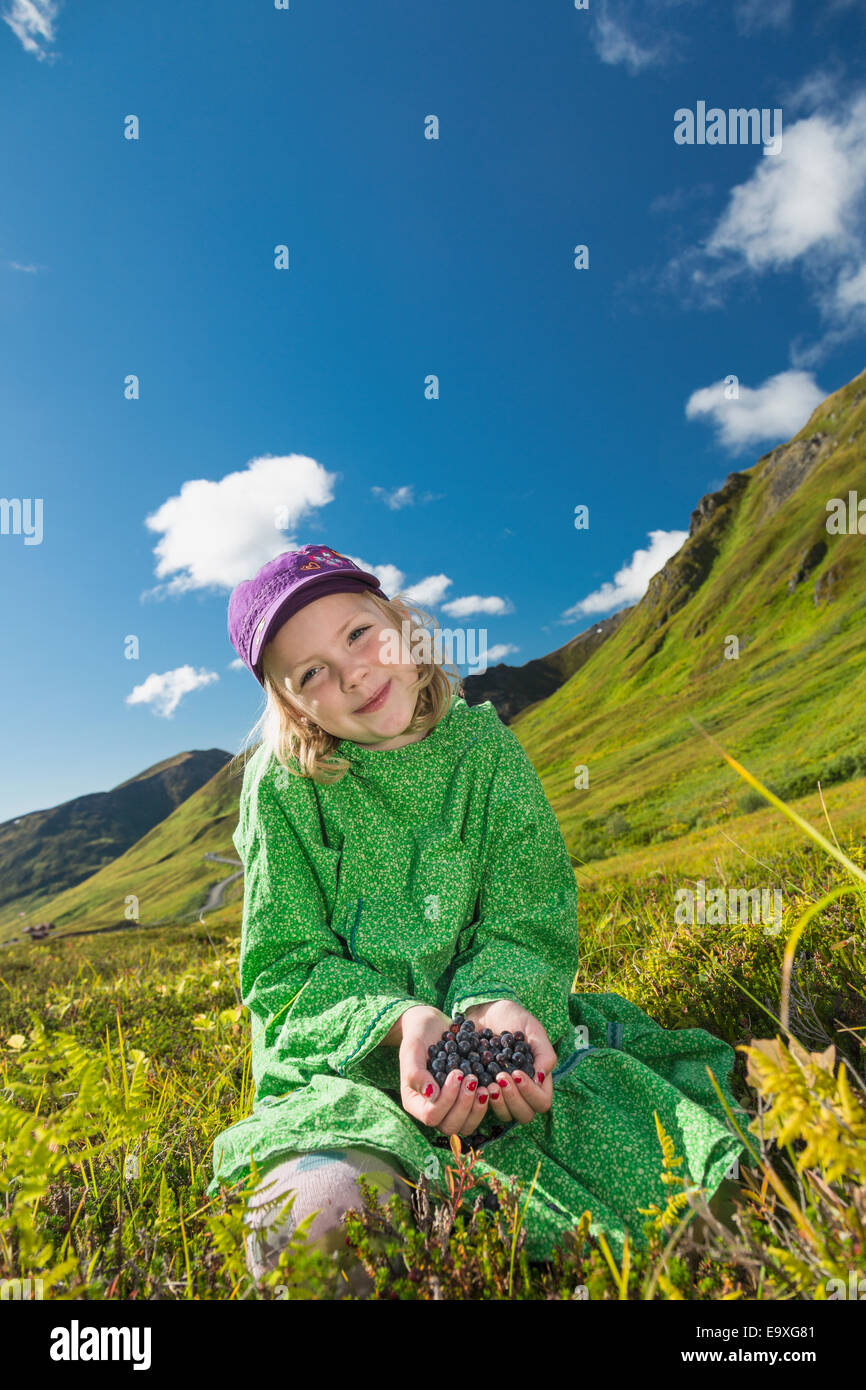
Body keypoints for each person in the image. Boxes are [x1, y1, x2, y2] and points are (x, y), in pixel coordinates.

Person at [207, 542, 747, 1296]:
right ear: (292, 704)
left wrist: (495, 1005)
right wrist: (403, 1023)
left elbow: (529, 914)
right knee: (319, 1246)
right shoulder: (283, 790)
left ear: (399, 621)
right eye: (310, 674)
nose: (353, 673)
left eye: (359, 634)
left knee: (708, 1216)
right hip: (348, 1071)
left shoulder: (485, 751)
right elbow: (284, 967)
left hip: (498, 1040)